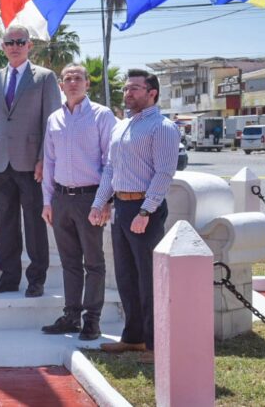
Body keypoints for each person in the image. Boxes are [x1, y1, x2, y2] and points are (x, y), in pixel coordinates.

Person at [89, 69, 179, 363]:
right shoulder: (121, 126)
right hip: (122, 208)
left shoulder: (162, 127)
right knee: (126, 276)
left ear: (152, 93)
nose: (128, 94)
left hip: (145, 209)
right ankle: (133, 338)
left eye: (135, 89)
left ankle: (155, 345)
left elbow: (164, 172)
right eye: (127, 89)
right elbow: (111, 169)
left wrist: (145, 211)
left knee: (148, 278)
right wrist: (100, 202)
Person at [0, 24, 61, 297]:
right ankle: (9, 277)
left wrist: (43, 160)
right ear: (3, 47)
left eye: (20, 41)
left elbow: (52, 122)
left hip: (31, 165)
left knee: (35, 224)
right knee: (5, 222)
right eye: (9, 42)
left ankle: (36, 279)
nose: (14, 46)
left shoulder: (45, 78)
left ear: (29, 46)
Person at [40, 64, 117, 340]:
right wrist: (47, 201)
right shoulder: (54, 120)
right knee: (69, 262)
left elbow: (111, 160)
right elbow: (49, 162)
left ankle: (92, 320)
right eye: (68, 79)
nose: (72, 83)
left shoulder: (102, 115)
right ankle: (71, 316)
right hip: (61, 200)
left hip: (90, 199)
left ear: (87, 84)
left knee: (93, 262)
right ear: (61, 85)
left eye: (78, 78)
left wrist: (104, 200)